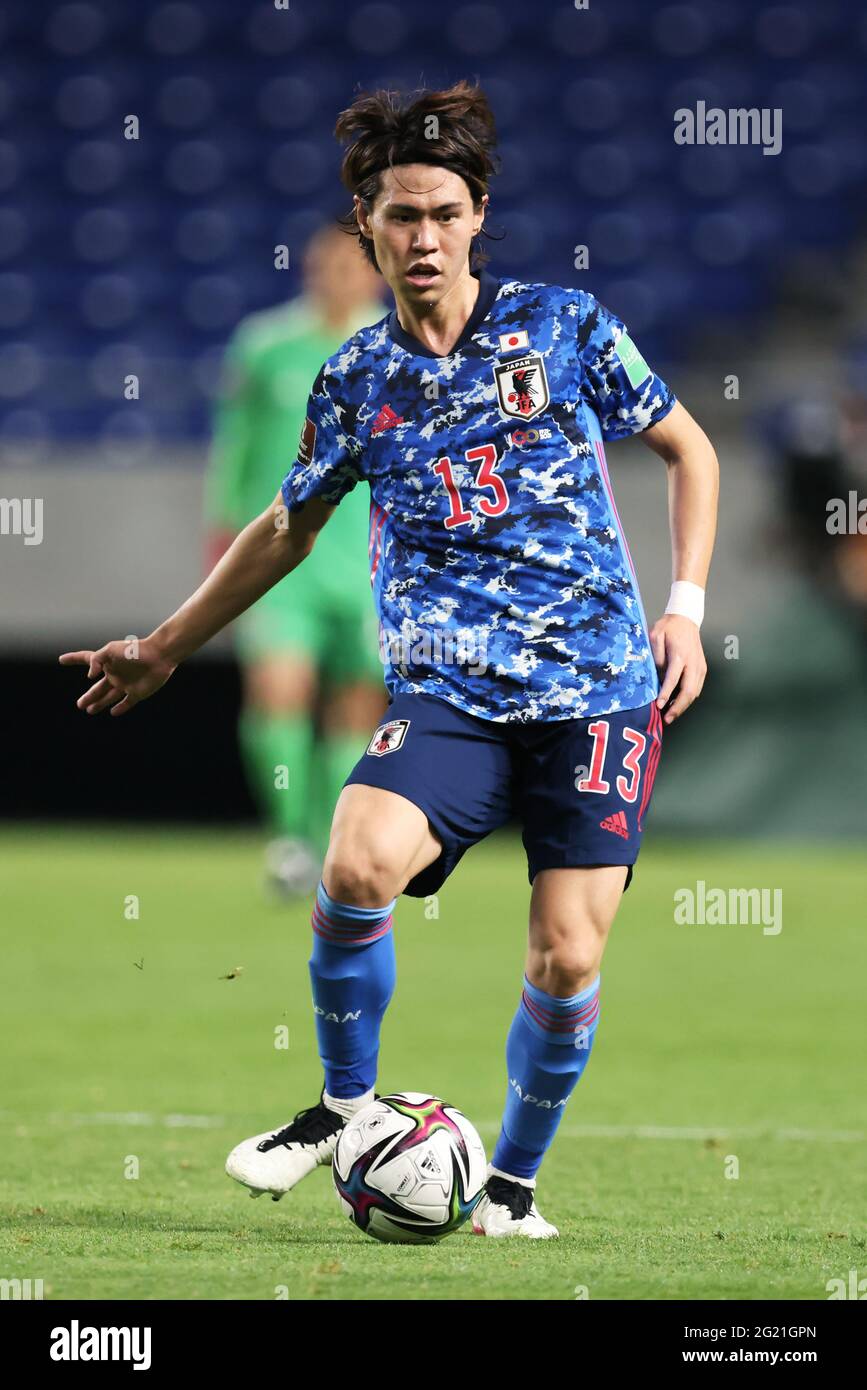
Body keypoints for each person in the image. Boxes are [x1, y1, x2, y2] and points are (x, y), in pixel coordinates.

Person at [60, 80, 718, 1239]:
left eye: (445, 213)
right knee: (358, 863)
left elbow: (690, 449)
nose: (424, 236)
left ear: (477, 217)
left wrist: (687, 607)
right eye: (401, 215)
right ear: (364, 225)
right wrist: (165, 645)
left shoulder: (563, 326)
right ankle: (344, 1107)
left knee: (567, 957)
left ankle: (510, 1188)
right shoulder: (355, 378)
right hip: (449, 695)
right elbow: (287, 526)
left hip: (596, 694)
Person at [205, 226, 387, 893]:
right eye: (325, 263)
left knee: (355, 707)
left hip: (368, 561)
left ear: (374, 273)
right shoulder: (265, 346)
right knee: (277, 691)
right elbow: (234, 447)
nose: (337, 275)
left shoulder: (395, 347)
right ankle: (288, 839)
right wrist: (221, 537)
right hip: (280, 560)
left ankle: (327, 840)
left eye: (351, 264)